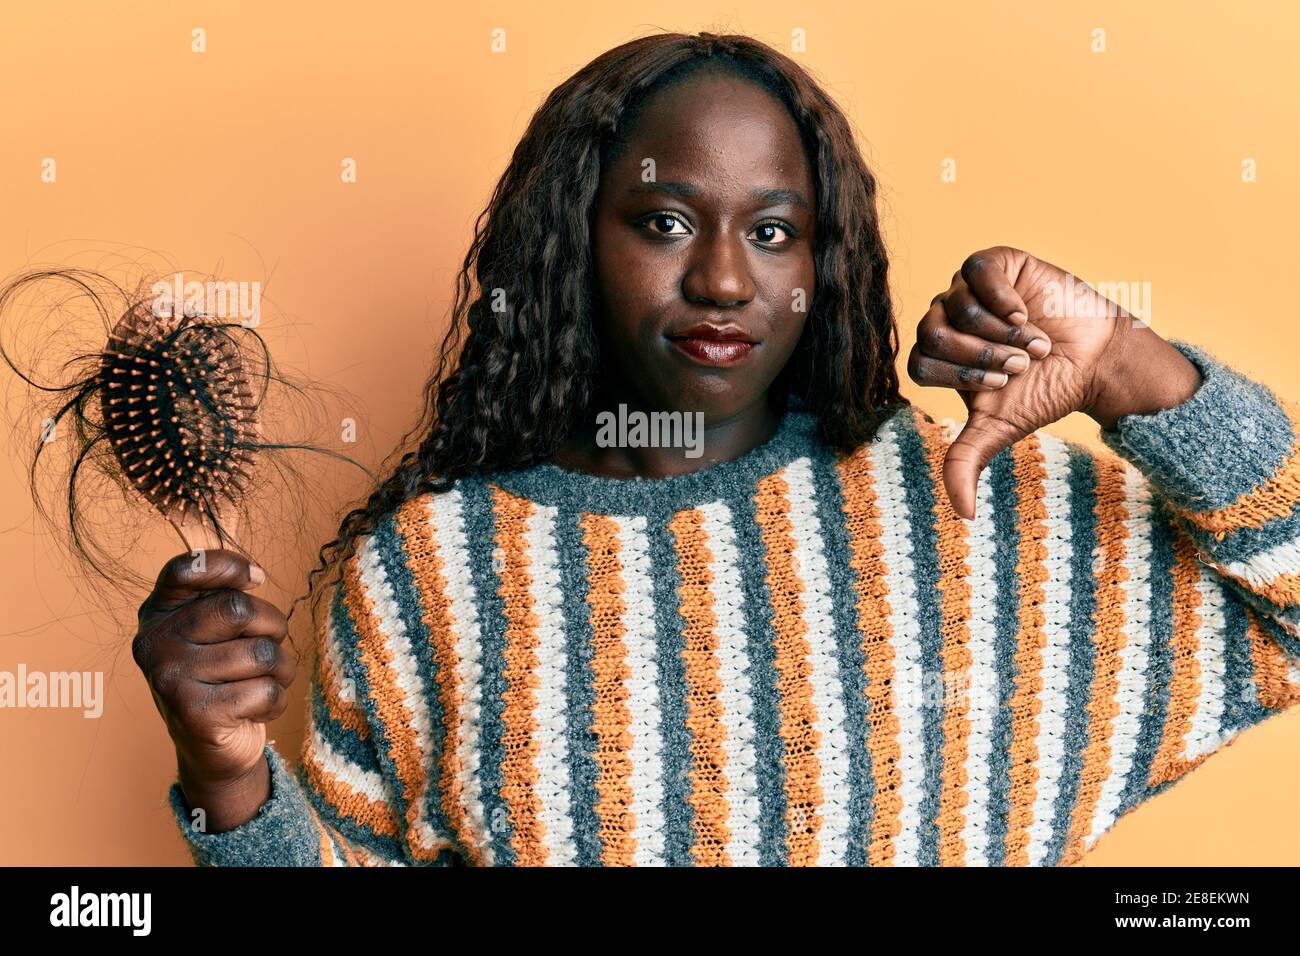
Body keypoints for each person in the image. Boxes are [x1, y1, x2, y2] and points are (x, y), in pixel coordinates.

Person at [135, 31, 1300, 867]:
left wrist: (1130, 367)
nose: (725, 279)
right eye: (664, 221)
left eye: (775, 231)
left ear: (822, 263)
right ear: (570, 243)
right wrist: (233, 777)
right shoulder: (433, 573)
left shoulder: (974, 508)